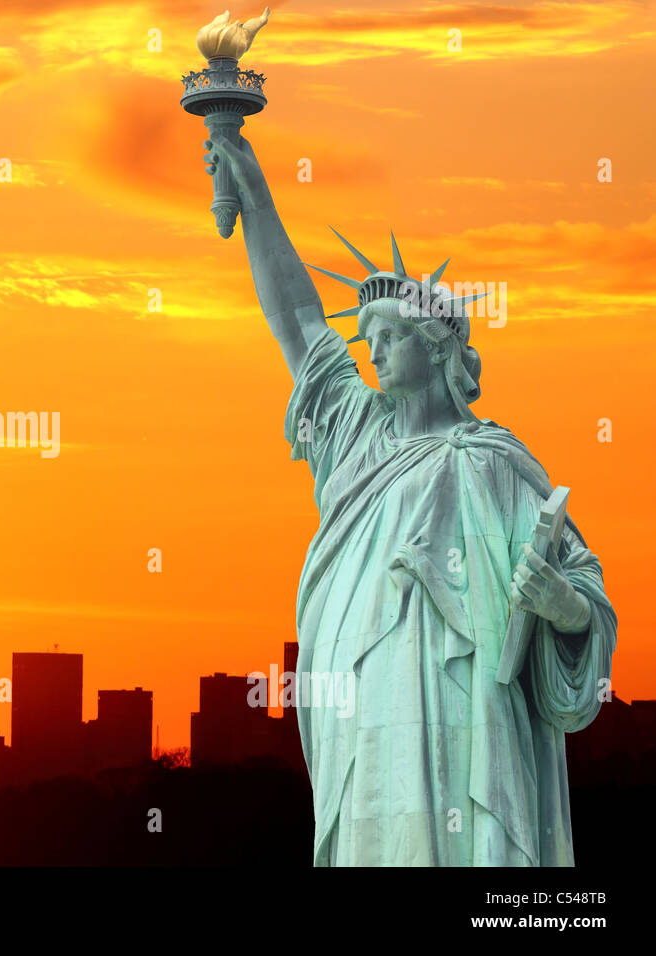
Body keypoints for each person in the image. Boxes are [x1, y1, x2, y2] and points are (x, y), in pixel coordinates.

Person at [211, 133, 618, 865]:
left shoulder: (495, 462)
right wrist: (255, 194)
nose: (372, 352)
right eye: (367, 340)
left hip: (466, 717)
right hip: (367, 720)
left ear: (436, 348)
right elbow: (300, 326)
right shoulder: (355, 437)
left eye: (389, 337)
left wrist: (563, 605)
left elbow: (587, 589)